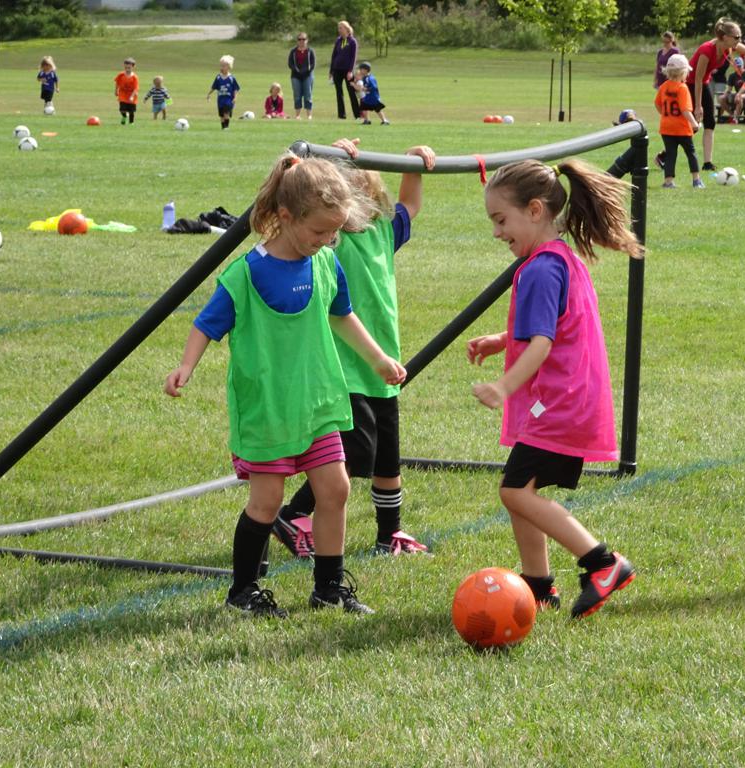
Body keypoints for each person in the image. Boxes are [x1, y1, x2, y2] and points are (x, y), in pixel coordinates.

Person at [164, 152, 407, 617]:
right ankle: (243, 591)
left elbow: (343, 316)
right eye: (319, 231)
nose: (328, 240)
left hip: (318, 401)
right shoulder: (247, 273)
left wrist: (378, 360)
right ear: (284, 217)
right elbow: (207, 323)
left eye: (334, 231)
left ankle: (329, 587)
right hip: (269, 408)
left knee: (335, 489)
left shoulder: (326, 264)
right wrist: (186, 367)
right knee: (267, 500)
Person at [466, 158, 641, 618]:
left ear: (536, 210)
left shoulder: (541, 269)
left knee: (515, 492)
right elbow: (554, 326)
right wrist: (502, 339)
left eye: (501, 220)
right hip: (568, 399)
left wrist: (503, 387)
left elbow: (542, 343)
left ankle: (602, 563)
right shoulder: (561, 258)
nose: (497, 232)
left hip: (557, 404)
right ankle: (539, 586)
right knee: (519, 487)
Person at [277, 141, 435, 559]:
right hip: (347, 364)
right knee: (354, 454)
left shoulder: (384, 228)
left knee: (387, 459)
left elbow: (411, 204)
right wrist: (328, 158)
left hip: (382, 364)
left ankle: (391, 534)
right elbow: (300, 187)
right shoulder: (329, 240)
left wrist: (414, 162)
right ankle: (294, 514)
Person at [652, 18, 745, 174]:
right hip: (689, 85)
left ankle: (707, 163)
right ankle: (664, 155)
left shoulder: (729, 47)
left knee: (710, 122)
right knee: (688, 125)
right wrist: (698, 106)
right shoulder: (707, 50)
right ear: (725, 37)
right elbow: (697, 78)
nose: (740, 40)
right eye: (737, 37)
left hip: (703, 84)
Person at [655, 54, 702, 189]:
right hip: (682, 128)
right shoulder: (682, 88)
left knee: (670, 155)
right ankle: (696, 180)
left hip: (666, 127)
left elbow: (657, 104)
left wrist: (665, 115)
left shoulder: (663, 86)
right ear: (683, 72)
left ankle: (668, 182)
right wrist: (694, 123)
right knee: (691, 153)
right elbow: (685, 110)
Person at [329, 20, 361, 120]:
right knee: (339, 93)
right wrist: (331, 71)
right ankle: (341, 115)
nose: (339, 30)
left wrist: (350, 71)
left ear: (346, 29)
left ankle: (357, 115)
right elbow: (334, 55)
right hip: (337, 69)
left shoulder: (352, 41)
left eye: (341, 28)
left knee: (351, 92)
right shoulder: (338, 40)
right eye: (338, 28)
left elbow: (353, 57)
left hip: (348, 71)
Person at [288, 31, 316, 120]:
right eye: (299, 39)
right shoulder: (293, 51)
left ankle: (309, 115)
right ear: (297, 41)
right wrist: (297, 70)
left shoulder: (310, 51)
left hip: (308, 76)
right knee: (297, 95)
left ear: (307, 40)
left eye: (303, 39)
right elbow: (290, 63)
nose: (301, 41)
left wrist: (305, 71)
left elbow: (313, 64)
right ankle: (297, 115)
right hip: (295, 76)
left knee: (308, 94)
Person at [207, 54, 240, 130]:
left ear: (228, 67)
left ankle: (226, 127)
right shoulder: (218, 77)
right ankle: (223, 128)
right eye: (221, 66)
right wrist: (209, 94)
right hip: (220, 100)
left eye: (223, 66)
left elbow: (236, 89)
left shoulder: (232, 78)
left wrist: (235, 97)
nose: (221, 68)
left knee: (226, 113)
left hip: (228, 100)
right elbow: (214, 87)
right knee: (221, 115)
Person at [352, 61, 390, 125]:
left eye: (361, 69)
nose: (360, 70)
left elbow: (374, 87)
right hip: (368, 97)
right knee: (363, 107)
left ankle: (384, 121)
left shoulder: (370, 78)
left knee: (377, 109)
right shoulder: (364, 77)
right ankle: (367, 120)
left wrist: (365, 89)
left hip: (373, 97)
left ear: (365, 70)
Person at [114, 57, 139, 125]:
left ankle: (131, 123)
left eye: (129, 67)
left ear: (133, 67)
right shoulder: (121, 75)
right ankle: (124, 117)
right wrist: (116, 90)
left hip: (132, 96)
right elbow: (117, 83)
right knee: (122, 109)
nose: (127, 69)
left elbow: (136, 88)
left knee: (131, 111)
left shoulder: (135, 77)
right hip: (123, 95)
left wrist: (132, 96)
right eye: (126, 67)